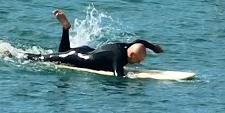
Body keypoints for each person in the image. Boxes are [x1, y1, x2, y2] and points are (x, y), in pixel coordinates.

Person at [30, 9, 165, 77]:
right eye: (139, 60)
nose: (140, 63)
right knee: (42, 59)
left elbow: (140, 41)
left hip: (86, 50)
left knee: (62, 52)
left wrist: (153, 47)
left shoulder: (128, 47)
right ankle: (14, 55)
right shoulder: (118, 58)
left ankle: (66, 28)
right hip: (80, 57)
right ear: (131, 55)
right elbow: (119, 77)